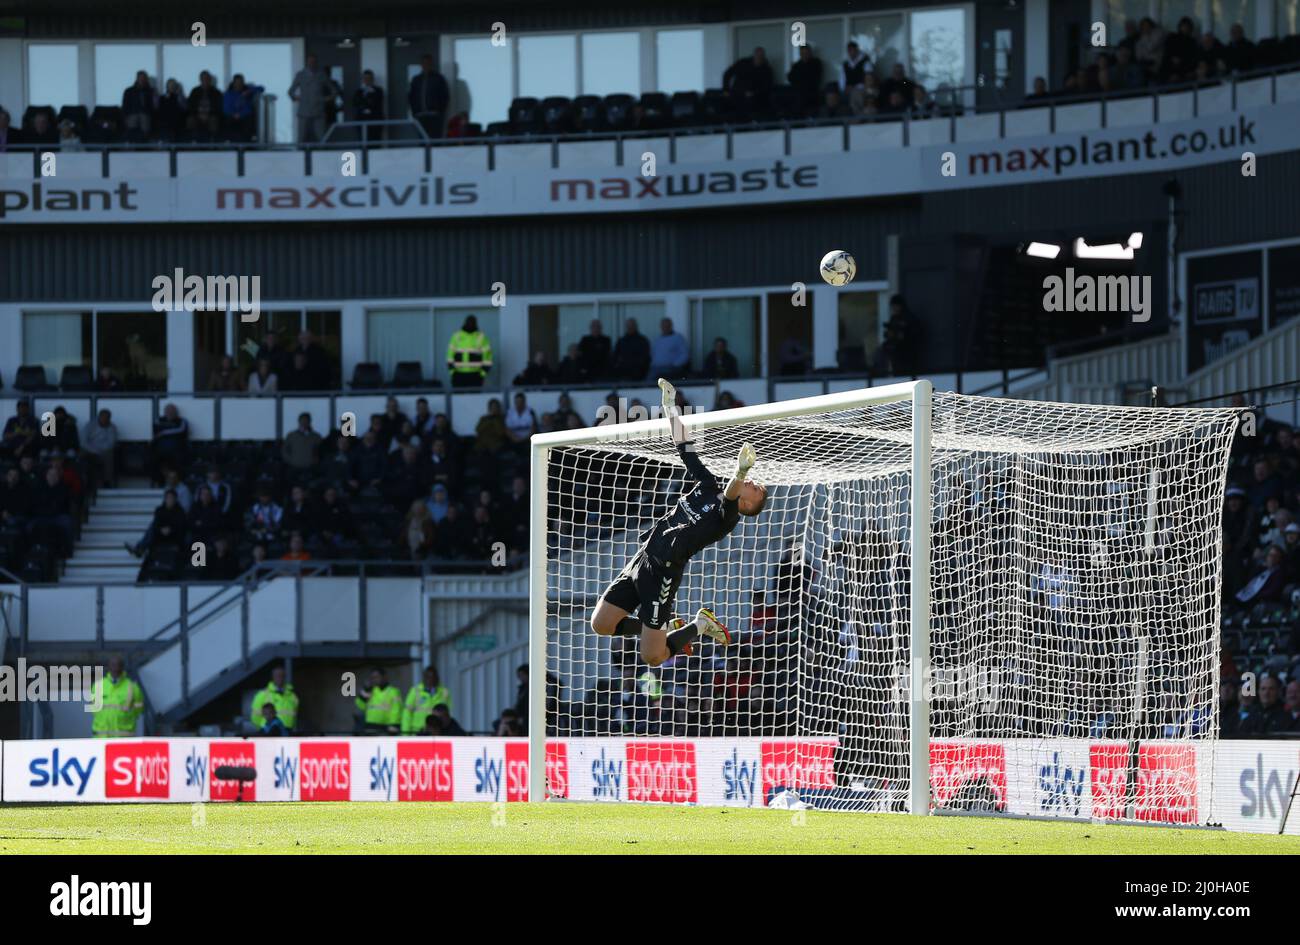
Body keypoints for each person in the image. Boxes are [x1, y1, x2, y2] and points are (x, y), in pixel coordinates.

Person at [589, 379, 767, 667]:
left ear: (747, 505)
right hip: (643, 558)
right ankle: (667, 627)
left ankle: (699, 625)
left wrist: (741, 470)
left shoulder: (727, 517)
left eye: (756, 489)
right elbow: (685, 446)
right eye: (754, 482)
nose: (754, 483)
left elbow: (732, 493)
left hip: (663, 573)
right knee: (601, 624)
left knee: (652, 657)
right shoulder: (708, 484)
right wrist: (670, 408)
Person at [288, 54, 337, 144]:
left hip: (318, 111)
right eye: (310, 61)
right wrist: (296, 98)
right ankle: (300, 156)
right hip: (304, 111)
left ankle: (322, 156)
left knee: (321, 137)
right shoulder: (300, 75)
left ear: (316, 63)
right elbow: (291, 91)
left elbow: (333, 91)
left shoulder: (321, 75)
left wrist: (325, 99)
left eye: (314, 61)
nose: (312, 63)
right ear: (307, 62)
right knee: (301, 137)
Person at [90, 656, 144, 738]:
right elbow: (93, 708)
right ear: (108, 667)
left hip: (124, 739)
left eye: (119, 665)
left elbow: (139, 710)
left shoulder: (133, 687)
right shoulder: (98, 686)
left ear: (123, 667)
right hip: (101, 738)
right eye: (113, 665)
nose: (116, 668)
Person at [407, 54, 449, 138]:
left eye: (428, 63)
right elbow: (411, 96)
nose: (426, 65)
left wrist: (440, 111)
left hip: (435, 115)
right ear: (421, 64)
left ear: (431, 64)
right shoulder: (416, 79)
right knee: (422, 139)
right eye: (424, 63)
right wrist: (414, 111)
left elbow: (445, 96)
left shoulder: (439, 78)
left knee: (435, 139)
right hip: (420, 115)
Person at [401, 666, 452, 734]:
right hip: (417, 731)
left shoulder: (444, 692)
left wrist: (447, 732)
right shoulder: (415, 691)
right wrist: (405, 733)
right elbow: (407, 713)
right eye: (428, 677)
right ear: (424, 678)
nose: (430, 680)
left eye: (433, 677)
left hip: (438, 732)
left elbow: (447, 716)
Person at [446, 314, 493, 388]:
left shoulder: (481, 337)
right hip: (458, 375)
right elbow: (449, 355)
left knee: (474, 398)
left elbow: (487, 357)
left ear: (476, 323)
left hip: (475, 375)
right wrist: (452, 372)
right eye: (469, 322)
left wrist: (482, 373)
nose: (470, 324)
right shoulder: (456, 336)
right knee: (458, 399)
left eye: (472, 322)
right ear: (465, 322)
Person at [251, 666, 299, 732]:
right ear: (273, 677)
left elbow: (295, 716)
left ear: (285, 677)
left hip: (287, 733)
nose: (280, 678)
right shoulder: (262, 695)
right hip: (268, 732)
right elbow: (255, 717)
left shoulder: (292, 696)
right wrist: (263, 729)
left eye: (282, 676)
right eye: (277, 676)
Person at [356, 669, 402, 734]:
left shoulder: (393, 691)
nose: (374, 679)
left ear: (384, 677)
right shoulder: (370, 691)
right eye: (372, 678)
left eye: (377, 677)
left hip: (386, 727)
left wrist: (393, 725)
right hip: (371, 726)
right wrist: (365, 691)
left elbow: (396, 710)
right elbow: (361, 706)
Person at [222, 73, 263, 141]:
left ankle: (249, 141)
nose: (238, 85)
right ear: (233, 83)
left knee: (249, 119)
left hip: (245, 116)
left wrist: (249, 91)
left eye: (240, 82)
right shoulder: (228, 94)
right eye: (237, 82)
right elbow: (226, 109)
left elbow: (261, 88)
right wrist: (234, 114)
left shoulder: (247, 90)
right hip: (232, 116)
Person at [186, 70, 223, 137]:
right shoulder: (195, 91)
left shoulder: (216, 92)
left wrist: (208, 114)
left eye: (207, 78)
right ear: (200, 80)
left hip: (211, 115)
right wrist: (198, 114)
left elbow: (218, 106)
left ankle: (212, 144)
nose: (205, 80)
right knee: (190, 120)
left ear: (210, 80)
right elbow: (190, 105)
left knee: (214, 120)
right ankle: (193, 142)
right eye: (203, 78)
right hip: (197, 114)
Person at [787, 44, 824, 112]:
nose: (804, 55)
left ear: (810, 53)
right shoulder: (797, 65)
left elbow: (814, 79)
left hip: (812, 94)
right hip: (799, 95)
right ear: (800, 54)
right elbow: (791, 79)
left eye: (806, 53)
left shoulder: (816, 63)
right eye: (802, 53)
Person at [353, 68, 386, 141]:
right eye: (365, 78)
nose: (367, 80)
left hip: (375, 120)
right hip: (361, 120)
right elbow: (356, 103)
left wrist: (370, 95)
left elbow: (376, 103)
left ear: (372, 79)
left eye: (369, 78)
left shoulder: (378, 90)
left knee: (375, 141)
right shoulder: (359, 92)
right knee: (363, 141)